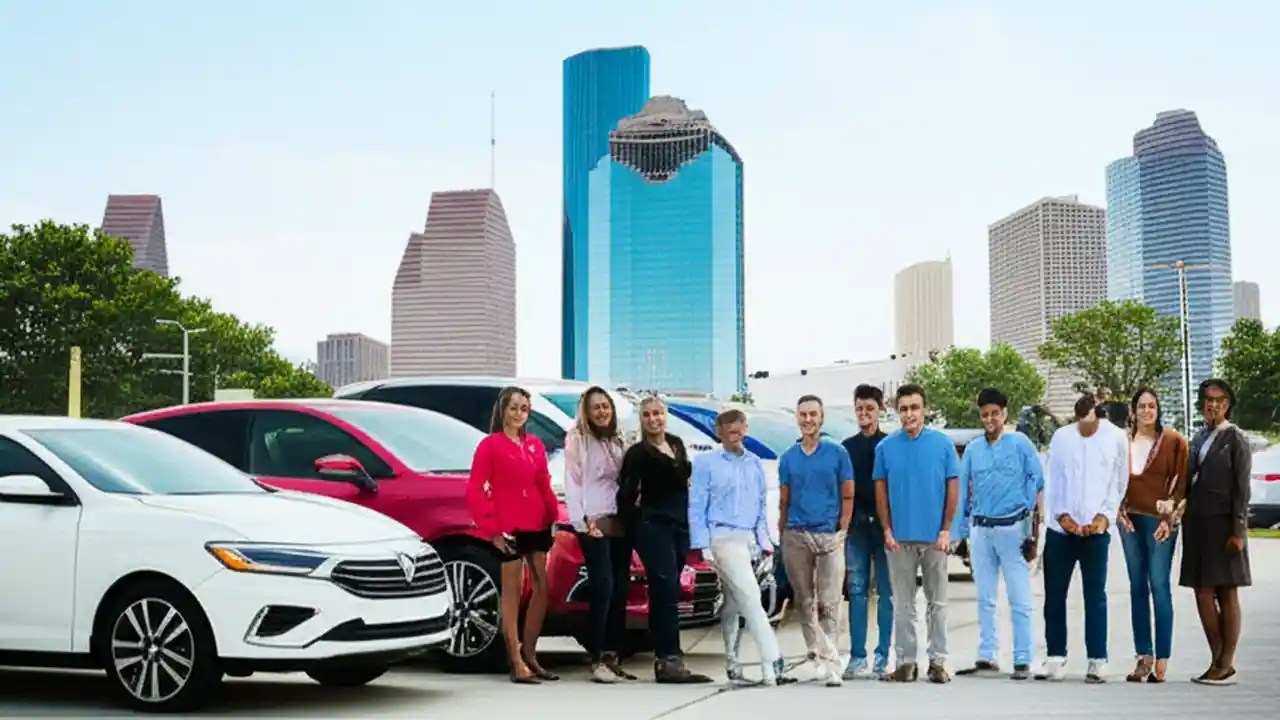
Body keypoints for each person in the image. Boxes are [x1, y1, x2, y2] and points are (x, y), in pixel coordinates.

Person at [689, 409, 794, 686]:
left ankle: (733, 664)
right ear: (720, 432)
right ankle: (772, 663)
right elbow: (697, 505)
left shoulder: (756, 464)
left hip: (748, 539)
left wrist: (764, 543)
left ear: (746, 428)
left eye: (739, 429)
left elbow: (760, 508)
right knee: (751, 599)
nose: (735, 435)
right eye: (729, 431)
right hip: (721, 538)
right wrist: (702, 544)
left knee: (734, 603)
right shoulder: (705, 463)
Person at [466, 386, 561, 684]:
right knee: (512, 593)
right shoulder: (489, 445)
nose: (519, 413)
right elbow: (476, 489)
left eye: (524, 408)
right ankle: (515, 659)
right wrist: (491, 529)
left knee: (541, 588)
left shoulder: (534, 444)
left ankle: (531, 653)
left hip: (537, 522)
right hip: (508, 526)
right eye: (514, 407)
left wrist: (553, 515)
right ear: (503, 410)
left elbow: (543, 482)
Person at [617, 396, 713, 684]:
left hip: (679, 525)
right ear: (641, 419)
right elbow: (625, 495)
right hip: (653, 524)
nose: (653, 419)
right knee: (665, 586)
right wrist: (635, 526)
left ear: (666, 415)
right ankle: (668, 658)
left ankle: (669, 656)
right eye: (646, 415)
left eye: (657, 413)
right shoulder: (636, 453)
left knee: (669, 589)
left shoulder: (676, 444)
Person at [873, 384, 961, 683]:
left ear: (924, 410)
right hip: (899, 539)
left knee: (938, 603)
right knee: (904, 603)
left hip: (935, 537)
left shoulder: (942, 444)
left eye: (914, 408)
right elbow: (881, 492)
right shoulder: (885, 448)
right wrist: (887, 529)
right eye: (904, 409)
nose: (909, 414)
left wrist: (946, 529)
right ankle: (906, 663)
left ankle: (938, 662)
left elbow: (953, 488)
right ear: (897, 412)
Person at [953, 388, 1043, 680]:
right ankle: (987, 654)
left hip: (1012, 528)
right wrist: (961, 532)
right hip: (981, 530)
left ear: (1005, 414)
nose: (990, 418)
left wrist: (1030, 520)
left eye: (995, 413)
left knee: (1019, 596)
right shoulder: (974, 449)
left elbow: (1037, 479)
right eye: (984, 414)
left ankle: (1022, 658)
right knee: (984, 596)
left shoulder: (1020, 444)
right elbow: (964, 488)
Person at [1038, 394, 1127, 684]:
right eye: (1079, 421)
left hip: (1096, 531)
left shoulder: (1116, 437)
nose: (1084, 427)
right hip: (1061, 530)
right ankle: (1055, 656)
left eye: (1089, 422)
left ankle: (1097, 660)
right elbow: (1052, 480)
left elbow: (1119, 481)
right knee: (1054, 595)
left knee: (1095, 596)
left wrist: (1105, 516)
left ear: (1098, 416)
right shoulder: (1061, 438)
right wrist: (1061, 516)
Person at [778, 394, 853, 687]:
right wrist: (782, 532)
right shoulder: (788, 458)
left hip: (828, 535)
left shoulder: (837, 453)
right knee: (804, 600)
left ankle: (833, 661)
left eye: (813, 414)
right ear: (797, 418)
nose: (808, 420)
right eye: (803, 415)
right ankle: (815, 654)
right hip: (796, 534)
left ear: (822, 417)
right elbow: (784, 501)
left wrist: (842, 528)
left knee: (830, 600)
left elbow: (848, 493)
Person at [1181, 378, 1252, 686]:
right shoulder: (1196, 438)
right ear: (1202, 404)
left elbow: (1242, 488)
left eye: (1220, 400)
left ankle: (1225, 662)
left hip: (1225, 525)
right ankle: (1218, 659)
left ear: (1228, 404)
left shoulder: (1236, 439)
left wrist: (1238, 531)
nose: (1213, 405)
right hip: (1197, 524)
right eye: (1208, 400)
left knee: (1227, 591)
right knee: (1203, 592)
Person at [1118, 387, 1188, 683]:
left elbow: (1182, 481)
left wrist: (1170, 517)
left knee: (1159, 584)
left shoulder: (1173, 440)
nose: (1147, 411)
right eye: (1142, 406)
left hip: (1160, 523)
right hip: (1129, 521)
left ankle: (1163, 657)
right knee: (1137, 586)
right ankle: (1143, 656)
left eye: (1152, 406)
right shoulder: (1122, 442)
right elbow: (1113, 478)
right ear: (1133, 410)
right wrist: (1118, 509)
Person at [564, 386, 633, 683]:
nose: (602, 411)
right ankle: (596, 657)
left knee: (620, 588)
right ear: (587, 411)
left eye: (606, 406)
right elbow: (573, 482)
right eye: (596, 407)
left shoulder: (619, 440)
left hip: (619, 520)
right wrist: (581, 521)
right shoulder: (578, 439)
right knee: (602, 586)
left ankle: (612, 654)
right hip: (593, 520)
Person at [840, 384, 892, 680]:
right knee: (857, 590)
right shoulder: (847, 447)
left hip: (886, 527)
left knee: (888, 592)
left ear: (879, 410)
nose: (864, 414)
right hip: (857, 527)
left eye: (870, 409)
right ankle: (857, 655)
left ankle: (883, 656)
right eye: (859, 409)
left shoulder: (890, 444)